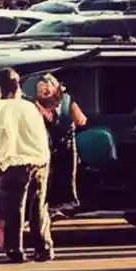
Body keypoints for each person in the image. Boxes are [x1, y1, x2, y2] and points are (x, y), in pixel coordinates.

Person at [0, 68, 53, 263]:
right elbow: (41, 135)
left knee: (14, 208)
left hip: (14, 163)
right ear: (19, 86)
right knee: (38, 207)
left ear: (0, 88)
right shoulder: (30, 107)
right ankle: (43, 248)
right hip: (39, 162)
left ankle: (16, 249)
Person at [34, 73, 87, 216]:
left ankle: (63, 205)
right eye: (42, 90)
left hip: (66, 146)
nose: (46, 92)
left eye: (49, 89)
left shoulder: (68, 100)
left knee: (65, 177)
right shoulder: (34, 106)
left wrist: (72, 112)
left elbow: (81, 120)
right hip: (45, 147)